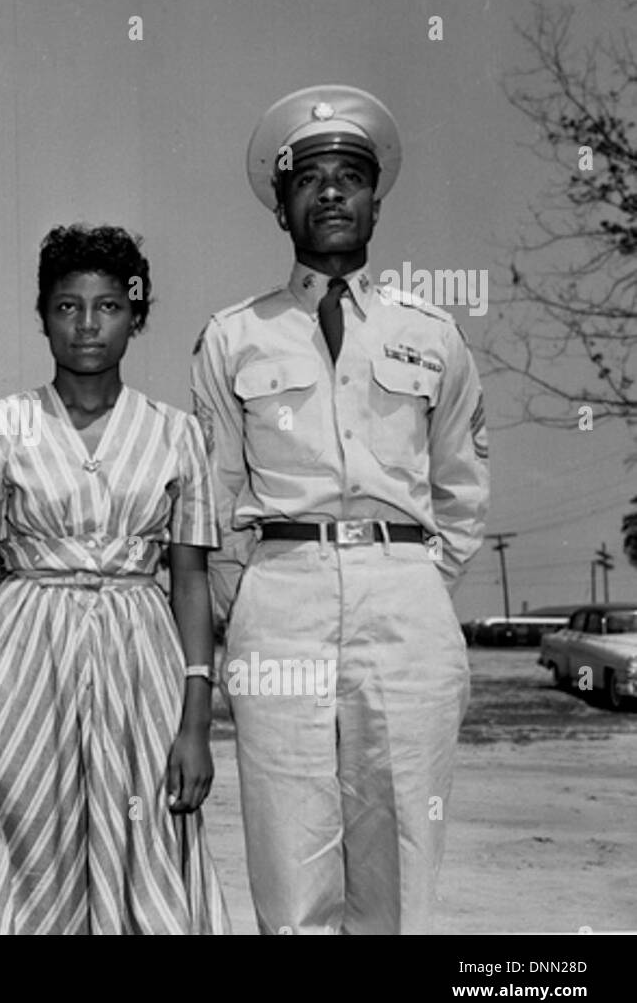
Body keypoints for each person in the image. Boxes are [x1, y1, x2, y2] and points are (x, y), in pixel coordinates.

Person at [191, 85, 490, 934]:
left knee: (401, 848)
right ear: (282, 206)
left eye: (349, 177)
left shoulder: (431, 333)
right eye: (309, 179)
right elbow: (213, 493)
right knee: (290, 857)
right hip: (279, 590)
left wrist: (418, 580)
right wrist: (241, 600)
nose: (330, 193)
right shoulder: (233, 336)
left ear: (375, 200)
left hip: (403, 592)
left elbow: (463, 482)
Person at [0, 224, 230, 935]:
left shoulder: (177, 432)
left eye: (108, 306)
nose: (88, 324)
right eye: (67, 306)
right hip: (24, 664)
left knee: (145, 848)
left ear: (136, 316)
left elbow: (190, 583)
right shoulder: (1, 426)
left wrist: (196, 721)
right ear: (42, 316)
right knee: (17, 844)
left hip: (142, 667)